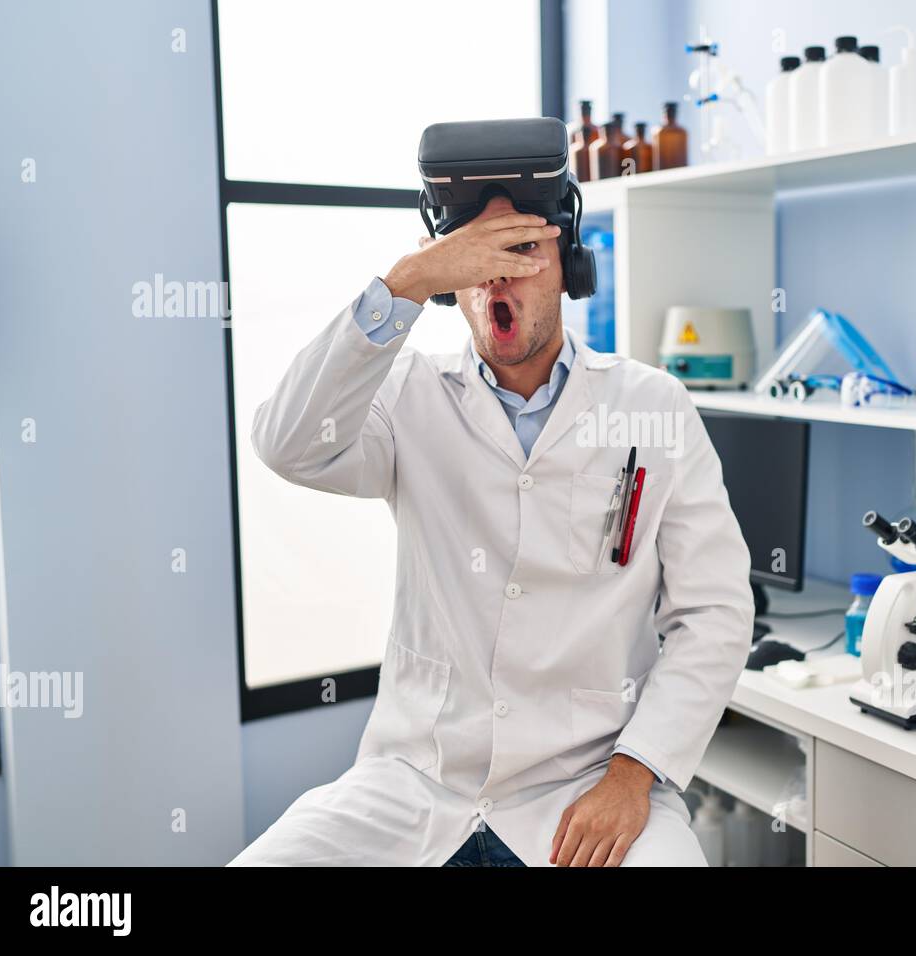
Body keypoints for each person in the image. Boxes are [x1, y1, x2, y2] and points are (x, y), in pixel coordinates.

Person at [229, 189, 754, 867]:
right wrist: (408, 280)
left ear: (569, 268)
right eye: (474, 259)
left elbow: (714, 612)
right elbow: (287, 444)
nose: (496, 278)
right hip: (416, 782)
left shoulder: (651, 405)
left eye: (522, 251)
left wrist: (634, 773)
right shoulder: (407, 394)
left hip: (587, 781)